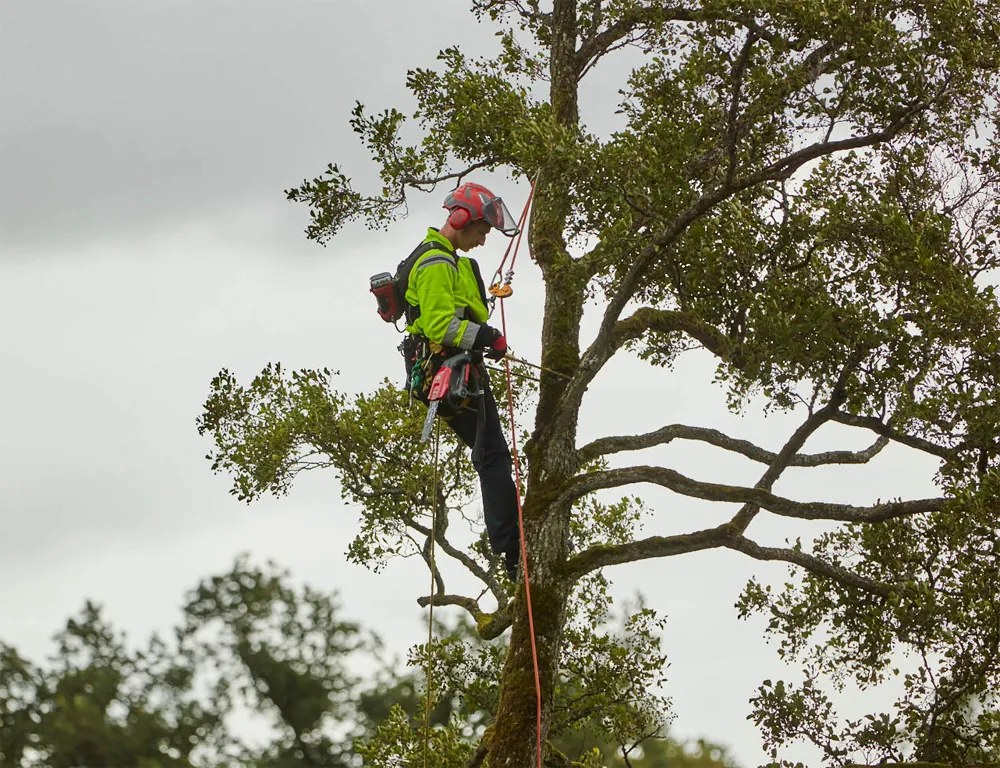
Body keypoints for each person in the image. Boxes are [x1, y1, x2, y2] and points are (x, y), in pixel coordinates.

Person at [402, 181, 522, 581]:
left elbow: (463, 313)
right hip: (449, 370)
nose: (484, 240)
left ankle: (512, 545)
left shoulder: (452, 261)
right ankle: (513, 551)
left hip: (454, 368)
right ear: (460, 220)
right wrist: (487, 337)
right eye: (481, 231)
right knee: (492, 455)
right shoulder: (436, 262)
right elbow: (439, 323)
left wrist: (484, 334)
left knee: (492, 454)